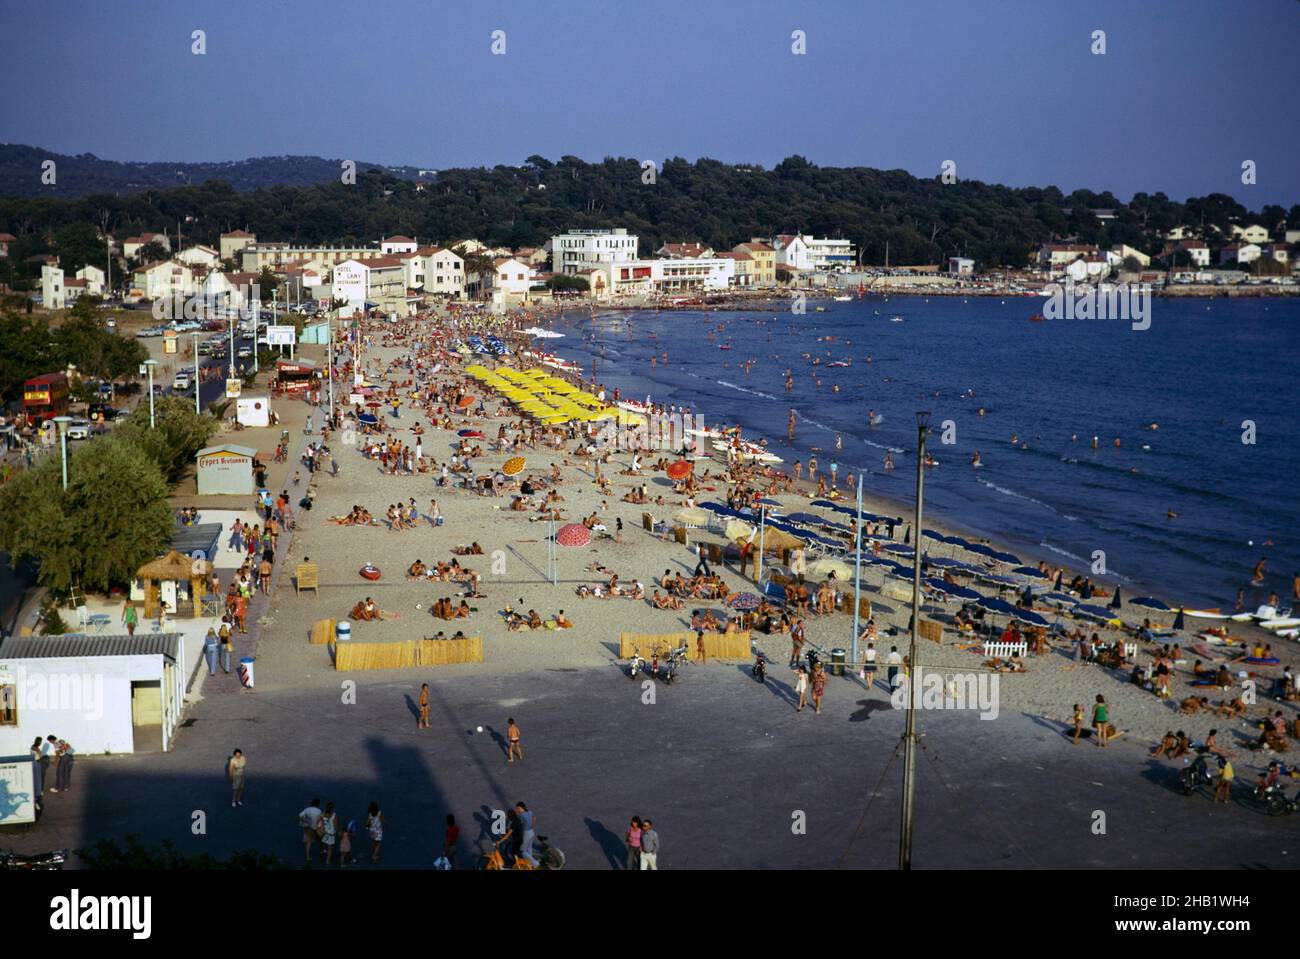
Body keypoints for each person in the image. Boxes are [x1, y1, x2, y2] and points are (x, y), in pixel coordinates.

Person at [299, 798, 324, 863]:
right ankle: (321, 850)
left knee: (308, 842)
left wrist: (305, 821)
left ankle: (308, 857)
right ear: (318, 804)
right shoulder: (319, 811)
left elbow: (300, 815)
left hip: (307, 828)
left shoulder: (307, 809)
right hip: (315, 828)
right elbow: (321, 819)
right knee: (319, 839)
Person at [516, 801, 539, 867]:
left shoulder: (521, 815)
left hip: (526, 833)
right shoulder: (530, 812)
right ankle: (529, 864)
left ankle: (535, 863)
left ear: (522, 808)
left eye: (518, 808)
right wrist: (531, 824)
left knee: (523, 851)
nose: (517, 810)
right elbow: (534, 817)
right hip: (532, 831)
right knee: (529, 849)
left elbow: (519, 824)